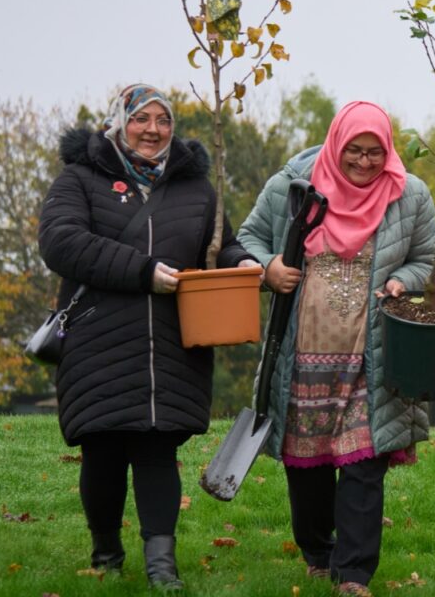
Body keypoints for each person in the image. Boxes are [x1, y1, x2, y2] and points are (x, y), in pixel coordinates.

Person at [38, 83, 260, 590]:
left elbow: (216, 244)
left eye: (163, 120)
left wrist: (241, 261)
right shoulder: (79, 180)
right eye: (141, 119)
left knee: (159, 450)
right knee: (104, 448)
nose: (153, 130)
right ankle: (106, 553)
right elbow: (61, 242)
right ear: (119, 122)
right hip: (99, 340)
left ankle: (162, 565)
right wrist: (143, 271)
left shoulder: (196, 189)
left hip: (172, 344)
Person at [237, 101, 435, 597]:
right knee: (308, 465)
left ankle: (353, 574)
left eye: (375, 152)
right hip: (302, 352)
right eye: (355, 150)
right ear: (336, 144)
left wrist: (399, 280)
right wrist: (268, 269)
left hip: (371, 354)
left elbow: (423, 260)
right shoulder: (296, 185)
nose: (365, 162)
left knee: (363, 463)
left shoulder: (408, 194)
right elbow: (249, 237)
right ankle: (316, 551)